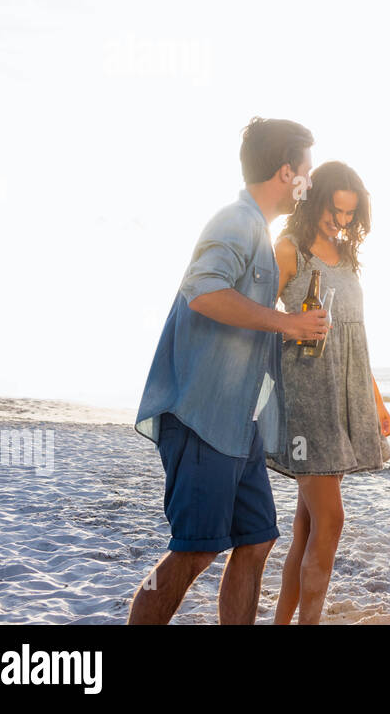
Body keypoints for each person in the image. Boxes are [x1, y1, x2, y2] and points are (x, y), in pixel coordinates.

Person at [129, 117, 327, 625]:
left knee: (257, 540)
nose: (310, 180)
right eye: (306, 169)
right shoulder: (235, 220)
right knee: (193, 551)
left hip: (241, 425)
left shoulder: (259, 232)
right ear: (287, 172)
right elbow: (205, 293)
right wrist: (286, 322)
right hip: (200, 417)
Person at [266, 160, 390, 625]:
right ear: (314, 201)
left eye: (348, 215)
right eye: (333, 212)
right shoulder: (290, 251)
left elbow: (353, 338)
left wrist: (375, 401)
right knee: (331, 521)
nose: (340, 222)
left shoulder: (347, 257)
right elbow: (259, 323)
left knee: (307, 525)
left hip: (345, 398)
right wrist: (292, 327)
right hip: (306, 397)